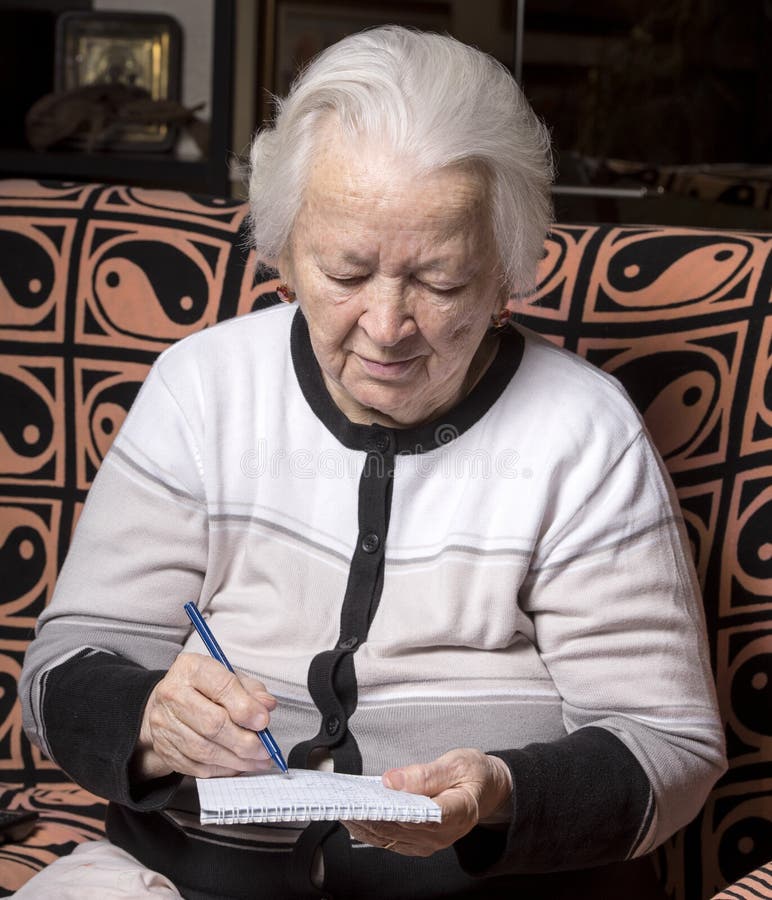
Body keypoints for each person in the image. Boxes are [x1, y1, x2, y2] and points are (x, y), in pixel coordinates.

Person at [18, 25, 726, 900]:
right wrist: (149, 722)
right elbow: (62, 670)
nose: (387, 326)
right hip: (179, 878)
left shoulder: (584, 432)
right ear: (281, 252)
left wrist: (502, 791)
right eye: (346, 272)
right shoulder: (203, 387)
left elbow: (671, 747)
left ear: (506, 271)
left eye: (439, 281)